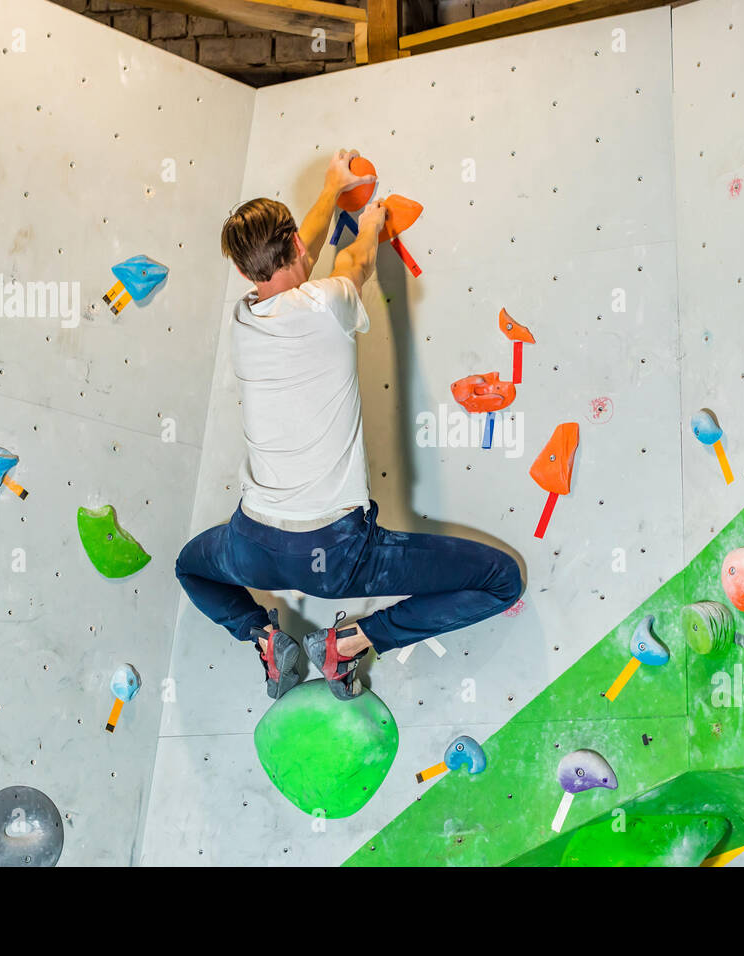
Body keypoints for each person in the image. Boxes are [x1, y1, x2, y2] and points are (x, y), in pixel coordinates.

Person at [176, 148, 523, 702]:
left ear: (242, 272)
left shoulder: (244, 317)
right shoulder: (327, 303)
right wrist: (370, 220)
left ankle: (264, 638)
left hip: (252, 543)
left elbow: (297, 256)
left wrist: (331, 190)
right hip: (336, 553)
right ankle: (351, 642)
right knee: (502, 580)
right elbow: (352, 261)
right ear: (293, 245)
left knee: (190, 569)